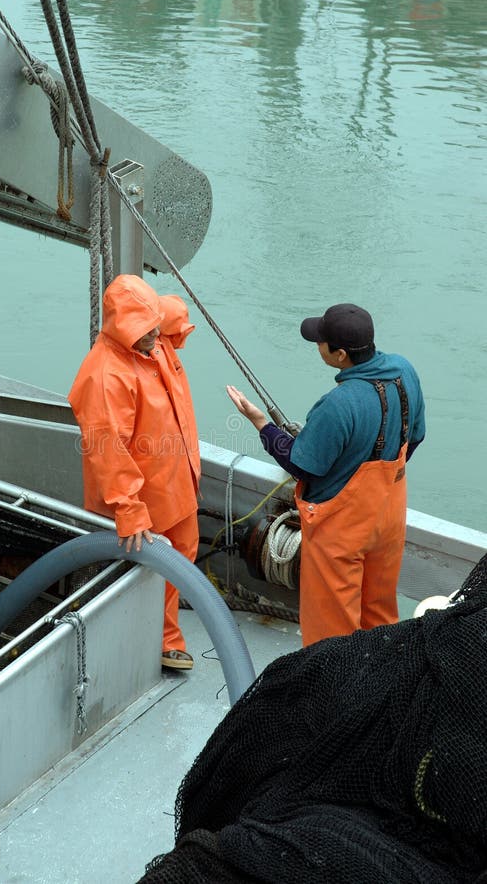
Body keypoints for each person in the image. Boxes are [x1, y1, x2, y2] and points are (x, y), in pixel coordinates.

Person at [226, 303, 425, 647]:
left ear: (340, 355)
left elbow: (302, 465)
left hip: (341, 531)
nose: (317, 345)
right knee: (380, 618)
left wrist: (262, 424)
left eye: (321, 342)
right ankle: (380, 688)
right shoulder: (405, 372)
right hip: (389, 517)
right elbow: (415, 437)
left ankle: (335, 696)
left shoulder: (339, 404)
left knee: (331, 631)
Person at [68, 274, 201, 670]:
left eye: (156, 326)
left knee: (181, 562)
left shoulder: (152, 341)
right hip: (144, 502)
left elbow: (171, 316)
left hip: (178, 487)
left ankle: (165, 631)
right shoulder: (105, 376)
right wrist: (128, 507)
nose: (155, 336)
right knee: (143, 574)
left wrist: (157, 316)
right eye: (145, 330)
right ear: (124, 328)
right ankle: (160, 641)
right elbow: (106, 449)